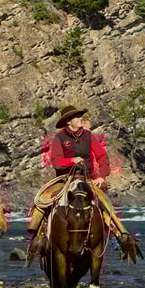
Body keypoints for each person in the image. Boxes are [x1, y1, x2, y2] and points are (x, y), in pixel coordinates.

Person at [26, 105, 130, 259]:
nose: (80, 118)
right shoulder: (59, 138)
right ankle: (34, 238)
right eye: (77, 117)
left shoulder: (89, 136)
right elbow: (55, 161)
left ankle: (119, 238)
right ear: (69, 121)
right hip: (64, 178)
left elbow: (102, 156)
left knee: (104, 203)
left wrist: (102, 176)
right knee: (44, 199)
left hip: (86, 178)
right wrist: (71, 161)